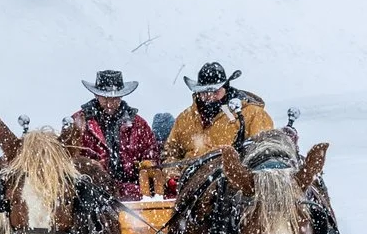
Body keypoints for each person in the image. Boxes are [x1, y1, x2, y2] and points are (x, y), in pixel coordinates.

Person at [161, 61, 276, 168]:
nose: (209, 97)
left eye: (215, 91)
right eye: (204, 92)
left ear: (226, 88)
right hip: (189, 185)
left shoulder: (252, 115)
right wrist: (172, 174)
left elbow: (265, 154)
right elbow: (170, 153)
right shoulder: (185, 118)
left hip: (233, 185)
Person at [67, 68, 157, 199]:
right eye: (105, 98)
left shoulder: (139, 124)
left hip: (135, 192)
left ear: (121, 96)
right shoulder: (79, 123)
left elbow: (152, 152)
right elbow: (70, 159)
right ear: (96, 95)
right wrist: (92, 169)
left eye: (115, 99)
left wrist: (147, 165)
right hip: (93, 192)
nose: (110, 103)